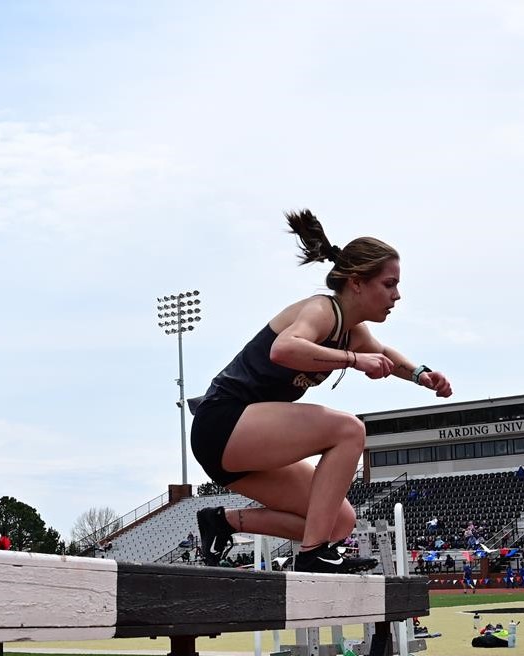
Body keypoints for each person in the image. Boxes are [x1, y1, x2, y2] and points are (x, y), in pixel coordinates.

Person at [188, 210, 452, 574]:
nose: (397, 295)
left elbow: (385, 354)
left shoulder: (351, 330)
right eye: (389, 284)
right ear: (357, 283)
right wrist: (354, 360)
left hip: (244, 447)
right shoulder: (322, 309)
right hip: (223, 422)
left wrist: (422, 375)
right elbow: (284, 348)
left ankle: (222, 521)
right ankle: (313, 554)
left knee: (337, 522)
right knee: (348, 430)